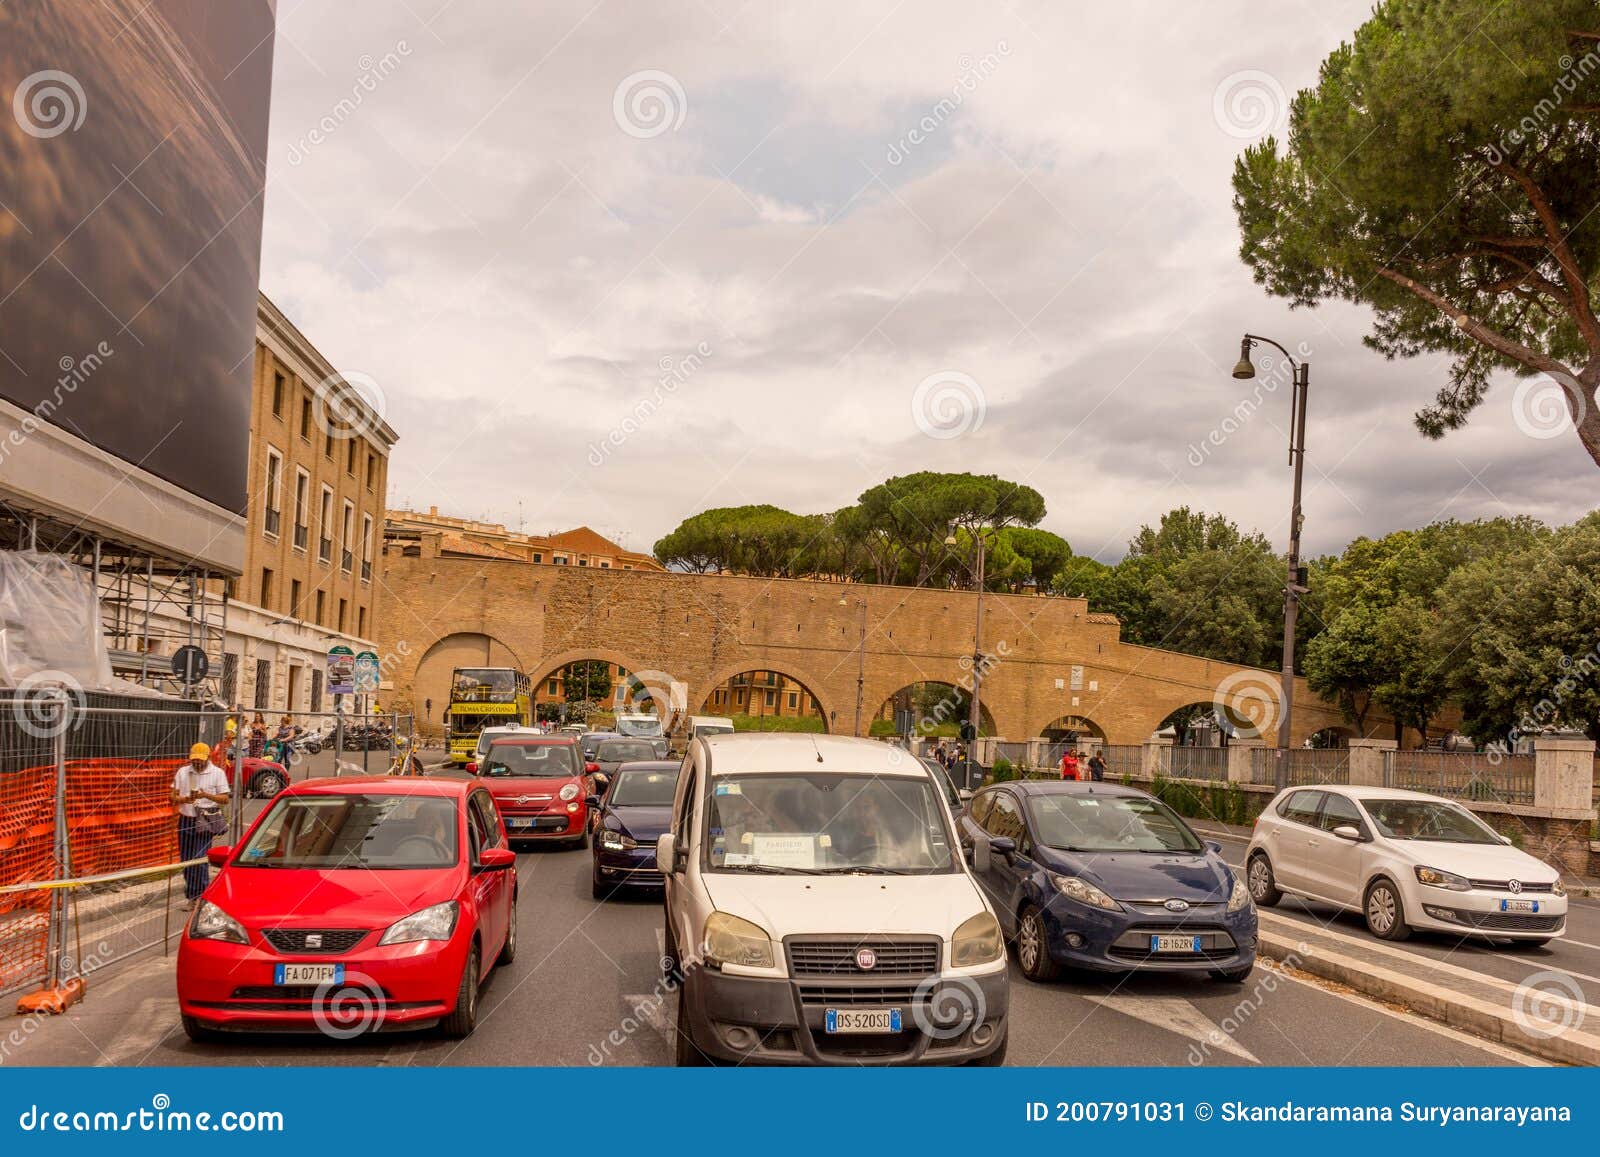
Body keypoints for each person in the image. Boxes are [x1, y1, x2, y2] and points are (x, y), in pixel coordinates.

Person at [173, 742, 231, 910]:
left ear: (208, 758)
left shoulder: (217, 773)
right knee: (186, 861)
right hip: (186, 819)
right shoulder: (183, 772)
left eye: (200, 760)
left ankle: (202, 895)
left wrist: (205, 795)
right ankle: (192, 896)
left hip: (204, 820)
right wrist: (185, 799)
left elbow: (225, 799)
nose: (197, 763)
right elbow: (172, 796)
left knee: (199, 859)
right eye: (194, 760)